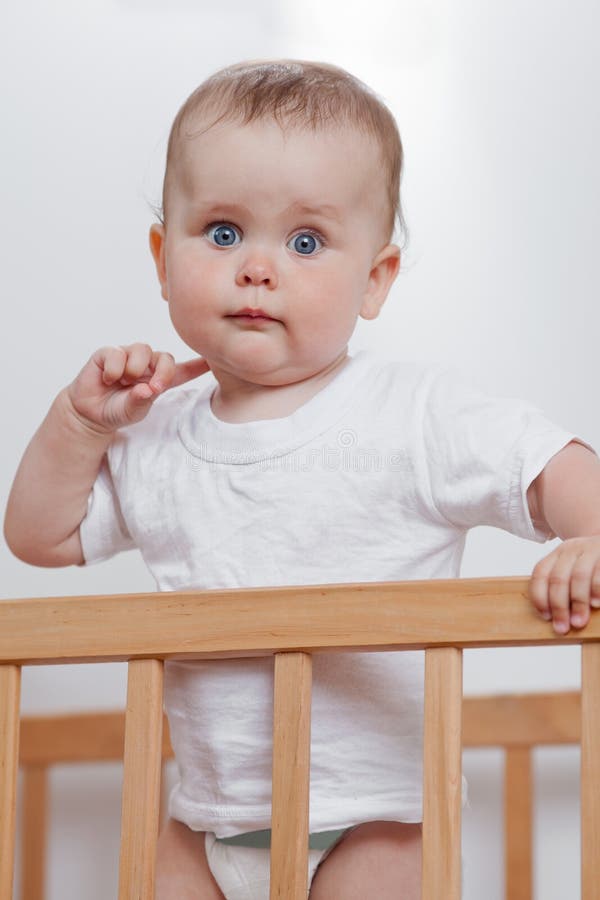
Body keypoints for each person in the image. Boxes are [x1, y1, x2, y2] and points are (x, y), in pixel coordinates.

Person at [4, 58, 600, 900]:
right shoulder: (158, 432)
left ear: (376, 280)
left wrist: (590, 538)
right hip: (204, 821)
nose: (257, 267)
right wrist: (81, 424)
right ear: (161, 259)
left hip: (382, 819)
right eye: (220, 232)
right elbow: (40, 536)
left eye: (306, 241)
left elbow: (545, 467)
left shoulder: (414, 412)